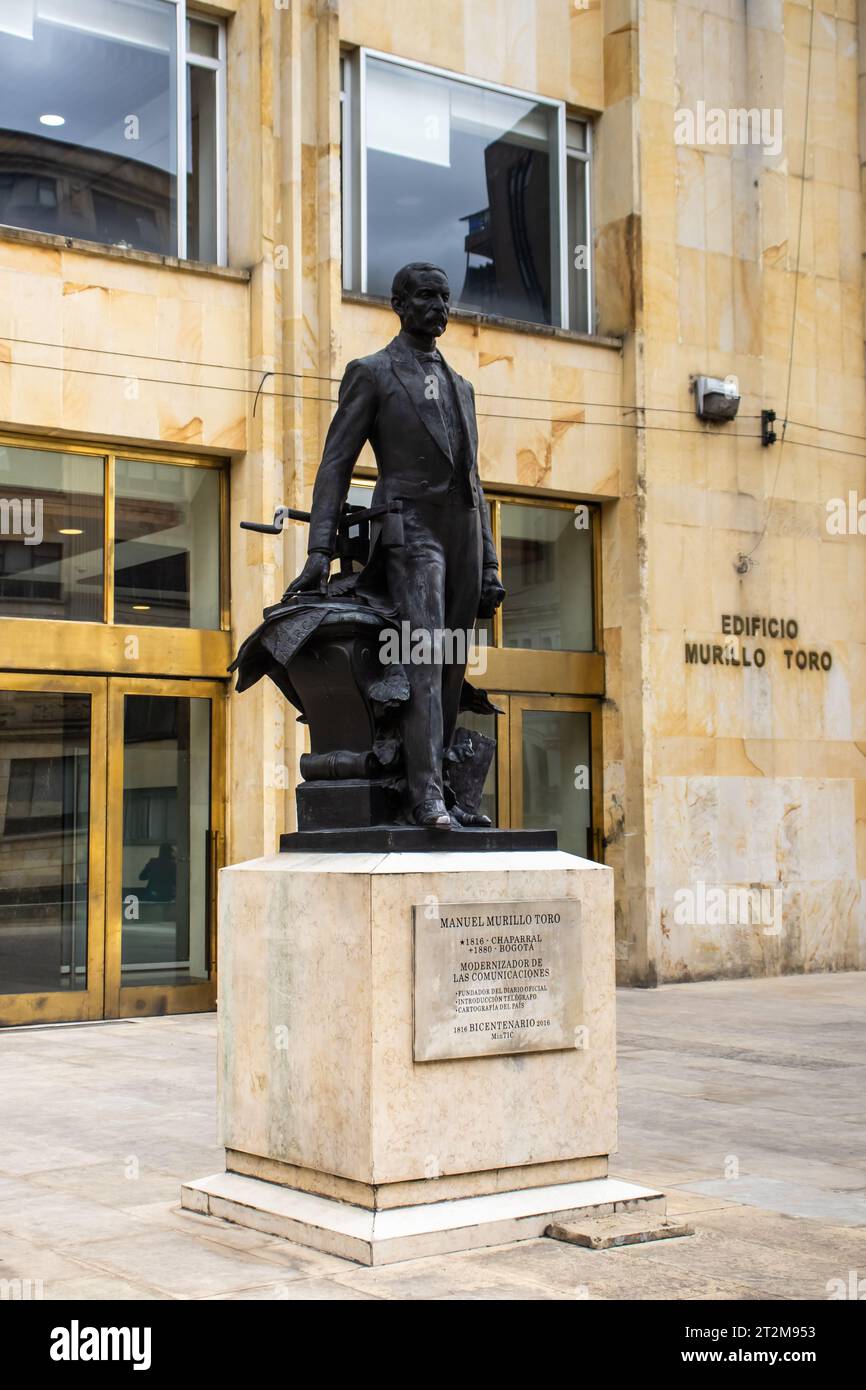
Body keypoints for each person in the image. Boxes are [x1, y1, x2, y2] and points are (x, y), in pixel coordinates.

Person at [285, 262, 505, 828]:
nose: (438, 306)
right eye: (426, 296)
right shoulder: (374, 373)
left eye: (444, 297)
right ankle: (424, 797)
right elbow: (335, 464)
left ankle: (447, 790)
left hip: (459, 532)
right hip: (410, 528)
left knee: (452, 662)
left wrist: (488, 561)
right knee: (425, 658)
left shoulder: (462, 388)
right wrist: (318, 550)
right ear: (399, 305)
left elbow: (474, 480)